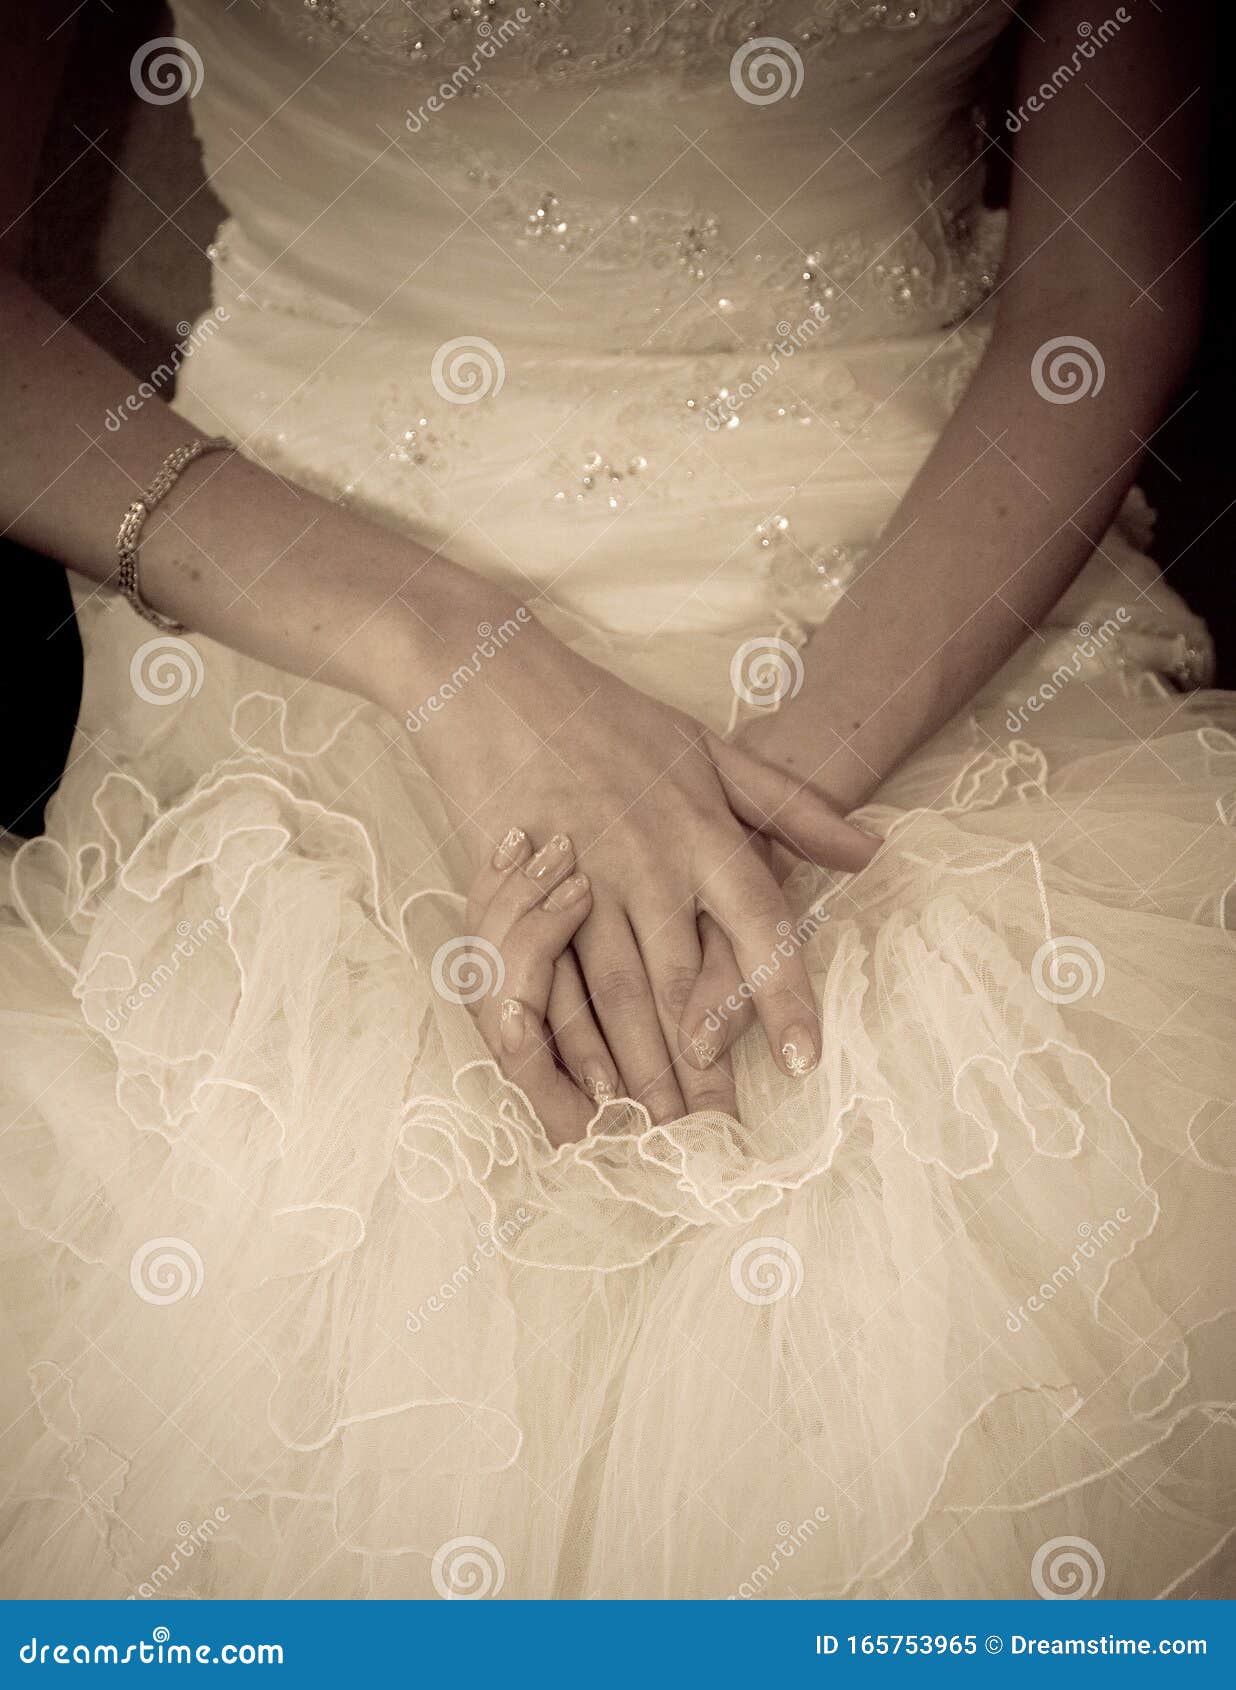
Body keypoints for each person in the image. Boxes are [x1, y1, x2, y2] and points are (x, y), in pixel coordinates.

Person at [1, 0, 1232, 1599]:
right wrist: (455, 659)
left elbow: (1099, 294)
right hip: (306, 607)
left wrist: (750, 816)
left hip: (925, 600)